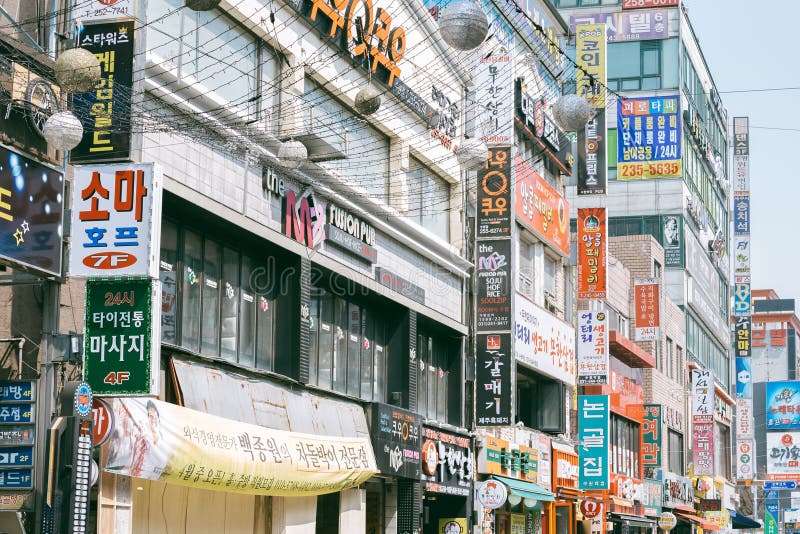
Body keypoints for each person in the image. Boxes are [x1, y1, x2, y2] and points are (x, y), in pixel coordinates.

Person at [129, 400, 170, 478]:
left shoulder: (162, 438)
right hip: (139, 472)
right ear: (147, 418)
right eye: (151, 416)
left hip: (155, 475)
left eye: (155, 416)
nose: (153, 419)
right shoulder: (143, 433)